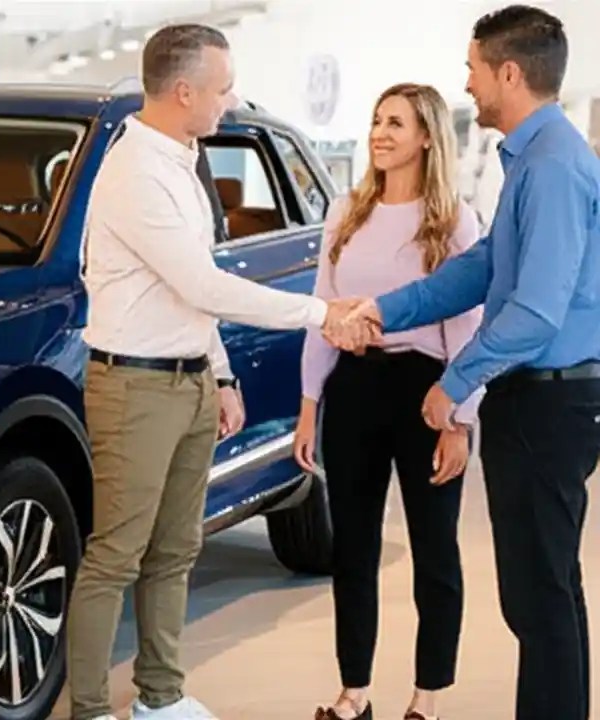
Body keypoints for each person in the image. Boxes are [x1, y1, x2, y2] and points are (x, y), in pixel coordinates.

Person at [67, 23, 360, 720]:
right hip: (135, 386)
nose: (230, 103)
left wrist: (221, 376)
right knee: (116, 556)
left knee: (175, 551)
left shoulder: (183, 158)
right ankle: (88, 711)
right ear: (183, 90)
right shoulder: (136, 172)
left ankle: (160, 698)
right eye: (223, 89)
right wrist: (321, 314)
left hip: (188, 379)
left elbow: (189, 294)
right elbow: (203, 284)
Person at [332, 6, 600, 719]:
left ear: (509, 73)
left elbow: (537, 310)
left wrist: (453, 383)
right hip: (538, 400)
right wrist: (389, 309)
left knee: (539, 599)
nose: (469, 86)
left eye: (475, 71)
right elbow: (485, 267)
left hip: (547, 403)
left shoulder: (552, 166)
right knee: (544, 593)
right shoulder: (534, 161)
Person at [297, 83, 484, 720]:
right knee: (353, 546)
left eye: (396, 123)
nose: (380, 133)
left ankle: (426, 697)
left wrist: (460, 417)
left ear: (427, 137)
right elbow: (322, 311)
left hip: (427, 389)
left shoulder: (454, 220)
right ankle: (354, 692)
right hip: (353, 387)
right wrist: (308, 403)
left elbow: (468, 323)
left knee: (435, 550)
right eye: (377, 120)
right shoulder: (346, 212)